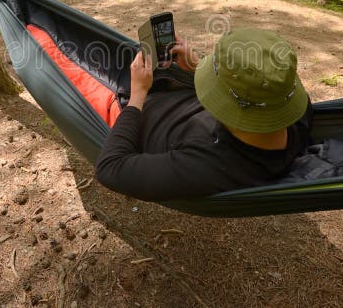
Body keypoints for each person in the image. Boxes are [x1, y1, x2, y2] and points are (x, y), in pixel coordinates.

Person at [94, 27, 312, 201]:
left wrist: (138, 94)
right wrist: (197, 65)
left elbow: (109, 167)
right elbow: (260, 87)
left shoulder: (206, 166)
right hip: (168, 92)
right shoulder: (296, 116)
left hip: (125, 112)